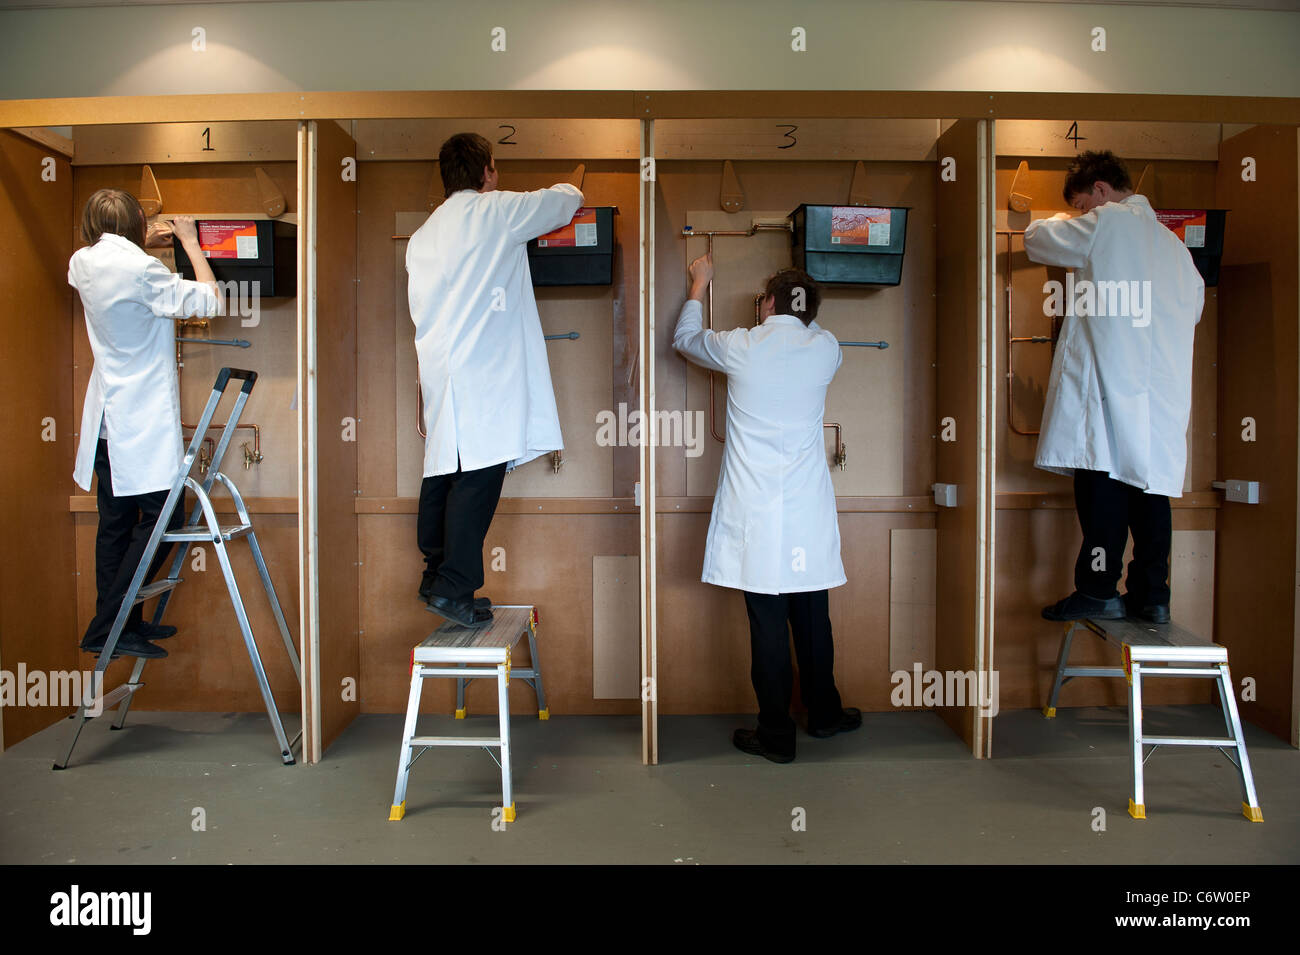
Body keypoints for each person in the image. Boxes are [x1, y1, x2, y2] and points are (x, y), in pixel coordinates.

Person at [673, 254, 860, 763]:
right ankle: (824, 715)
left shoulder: (741, 345)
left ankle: (776, 735)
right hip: (806, 515)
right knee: (814, 621)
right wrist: (799, 307)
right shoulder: (825, 348)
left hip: (754, 515)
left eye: (763, 302)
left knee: (768, 627)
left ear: (770, 303)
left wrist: (699, 284)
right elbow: (804, 324)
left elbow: (684, 340)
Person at [407, 132, 583, 628]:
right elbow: (564, 201)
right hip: (484, 374)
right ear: (486, 172)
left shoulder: (422, 236)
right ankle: (455, 588)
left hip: (440, 371)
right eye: (495, 168)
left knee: (444, 468)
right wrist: (575, 183)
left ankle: (435, 575)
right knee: (478, 478)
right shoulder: (497, 211)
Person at [1024, 150, 1205, 623]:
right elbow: (1193, 311)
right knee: (1150, 492)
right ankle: (1153, 596)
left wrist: (1065, 218)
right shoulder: (1176, 249)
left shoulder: (1108, 222)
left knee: (1100, 484)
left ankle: (1098, 589)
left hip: (1108, 387)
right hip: (1159, 398)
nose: (1082, 214)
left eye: (1082, 204)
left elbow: (1037, 239)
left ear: (1100, 190)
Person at [70, 190, 221, 659]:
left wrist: (139, 242)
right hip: (139, 418)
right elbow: (210, 300)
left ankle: (121, 625)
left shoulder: (81, 263)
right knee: (165, 518)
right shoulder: (143, 270)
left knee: (115, 525)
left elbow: (110, 261)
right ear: (137, 224)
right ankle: (109, 625)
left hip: (105, 420)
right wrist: (190, 242)